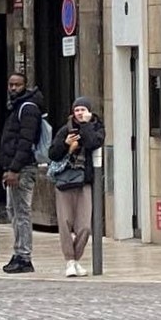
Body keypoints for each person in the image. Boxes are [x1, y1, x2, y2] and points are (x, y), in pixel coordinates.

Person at [46, 97, 105, 278]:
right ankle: (70, 261)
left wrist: (86, 126)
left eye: (82, 110)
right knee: (65, 223)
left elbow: (93, 142)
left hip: (84, 181)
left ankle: (76, 258)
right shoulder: (66, 129)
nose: (79, 113)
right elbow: (53, 154)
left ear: (89, 111)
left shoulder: (96, 127)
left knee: (85, 226)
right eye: (77, 110)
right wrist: (65, 144)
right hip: (65, 181)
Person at [0, 72, 46, 274]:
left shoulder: (28, 109)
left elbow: (25, 141)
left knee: (21, 212)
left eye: (17, 85)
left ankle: (24, 256)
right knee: (13, 210)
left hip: (23, 169)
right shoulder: (17, 107)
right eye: (10, 84)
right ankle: (19, 253)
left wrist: (14, 169)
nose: (13, 88)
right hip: (15, 167)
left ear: (25, 86)